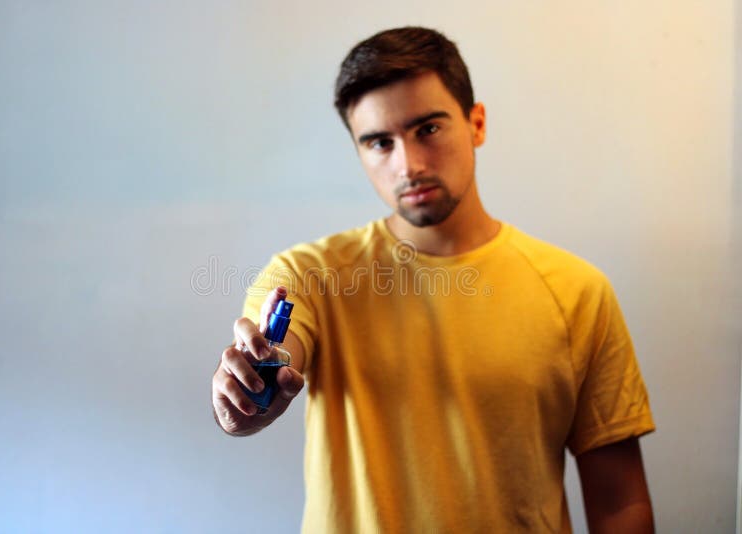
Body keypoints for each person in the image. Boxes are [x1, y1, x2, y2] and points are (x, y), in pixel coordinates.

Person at [212, 26, 656, 533]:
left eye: (428, 129)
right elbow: (274, 347)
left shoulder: (577, 291)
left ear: (477, 123)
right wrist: (247, 392)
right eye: (380, 142)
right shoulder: (308, 276)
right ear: (359, 153)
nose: (410, 165)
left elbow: (620, 503)